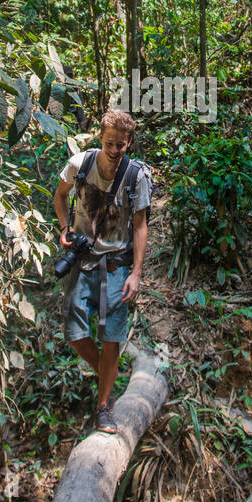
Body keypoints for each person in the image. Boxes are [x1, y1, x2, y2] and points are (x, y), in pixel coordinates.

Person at [53, 109, 150, 433]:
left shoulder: (137, 176)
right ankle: (109, 373)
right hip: (83, 261)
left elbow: (140, 226)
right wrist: (65, 227)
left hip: (117, 265)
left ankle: (103, 407)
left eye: (121, 145)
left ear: (129, 143)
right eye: (110, 143)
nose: (114, 150)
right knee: (75, 332)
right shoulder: (80, 164)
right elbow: (60, 196)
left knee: (111, 338)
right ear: (100, 137)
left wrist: (136, 273)